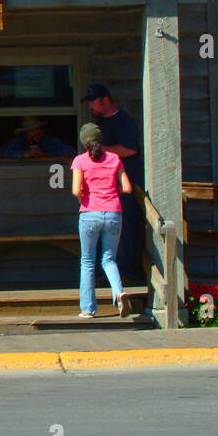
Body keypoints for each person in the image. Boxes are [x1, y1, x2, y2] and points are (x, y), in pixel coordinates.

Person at [82, 84, 145, 283]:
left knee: (129, 227)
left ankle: (131, 272)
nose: (90, 106)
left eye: (92, 101)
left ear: (105, 100)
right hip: (105, 187)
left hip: (125, 184)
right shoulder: (100, 123)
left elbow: (130, 149)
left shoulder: (123, 121)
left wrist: (101, 151)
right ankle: (106, 274)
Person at [71, 123, 134, 319]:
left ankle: (88, 309)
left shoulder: (81, 160)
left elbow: (75, 190)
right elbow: (127, 188)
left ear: (84, 142)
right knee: (109, 259)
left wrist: (86, 198)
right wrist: (112, 191)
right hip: (114, 213)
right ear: (100, 139)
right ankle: (119, 292)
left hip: (90, 213)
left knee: (87, 262)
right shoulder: (114, 159)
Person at [0, 116, 76, 160]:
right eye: (31, 130)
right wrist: (23, 154)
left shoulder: (49, 140)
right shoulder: (17, 142)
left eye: (38, 129)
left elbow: (71, 151)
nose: (36, 132)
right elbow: (0, 153)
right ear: (25, 132)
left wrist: (46, 155)